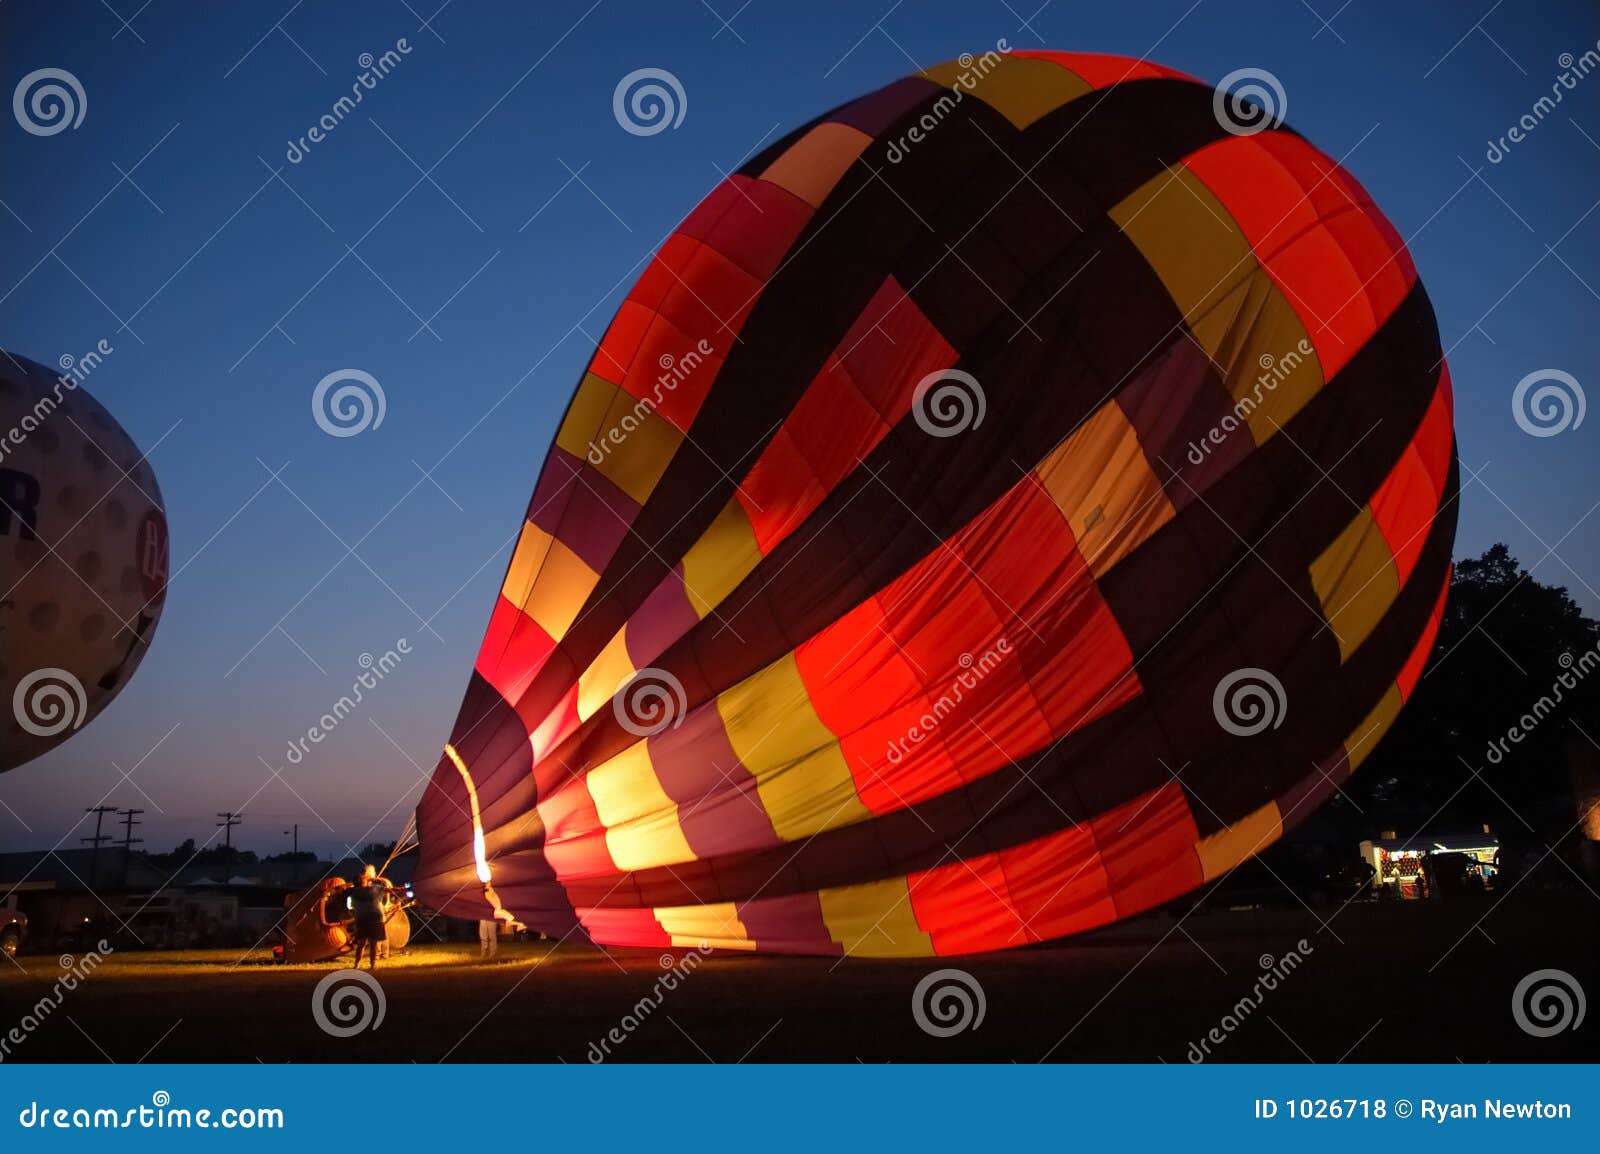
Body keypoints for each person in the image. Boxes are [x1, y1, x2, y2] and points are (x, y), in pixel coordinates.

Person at [348, 865, 385, 970]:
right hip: (374, 920)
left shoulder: (353, 892)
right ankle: (373, 965)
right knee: (373, 944)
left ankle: (357, 965)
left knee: (361, 944)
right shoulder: (373, 891)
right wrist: (378, 879)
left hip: (362, 920)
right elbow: (385, 885)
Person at [479, 882, 507, 960]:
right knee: (483, 935)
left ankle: (492, 953)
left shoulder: (493, 894)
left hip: (491, 917)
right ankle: (483, 953)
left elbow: (497, 904)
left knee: (491, 935)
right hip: (483, 916)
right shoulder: (482, 893)